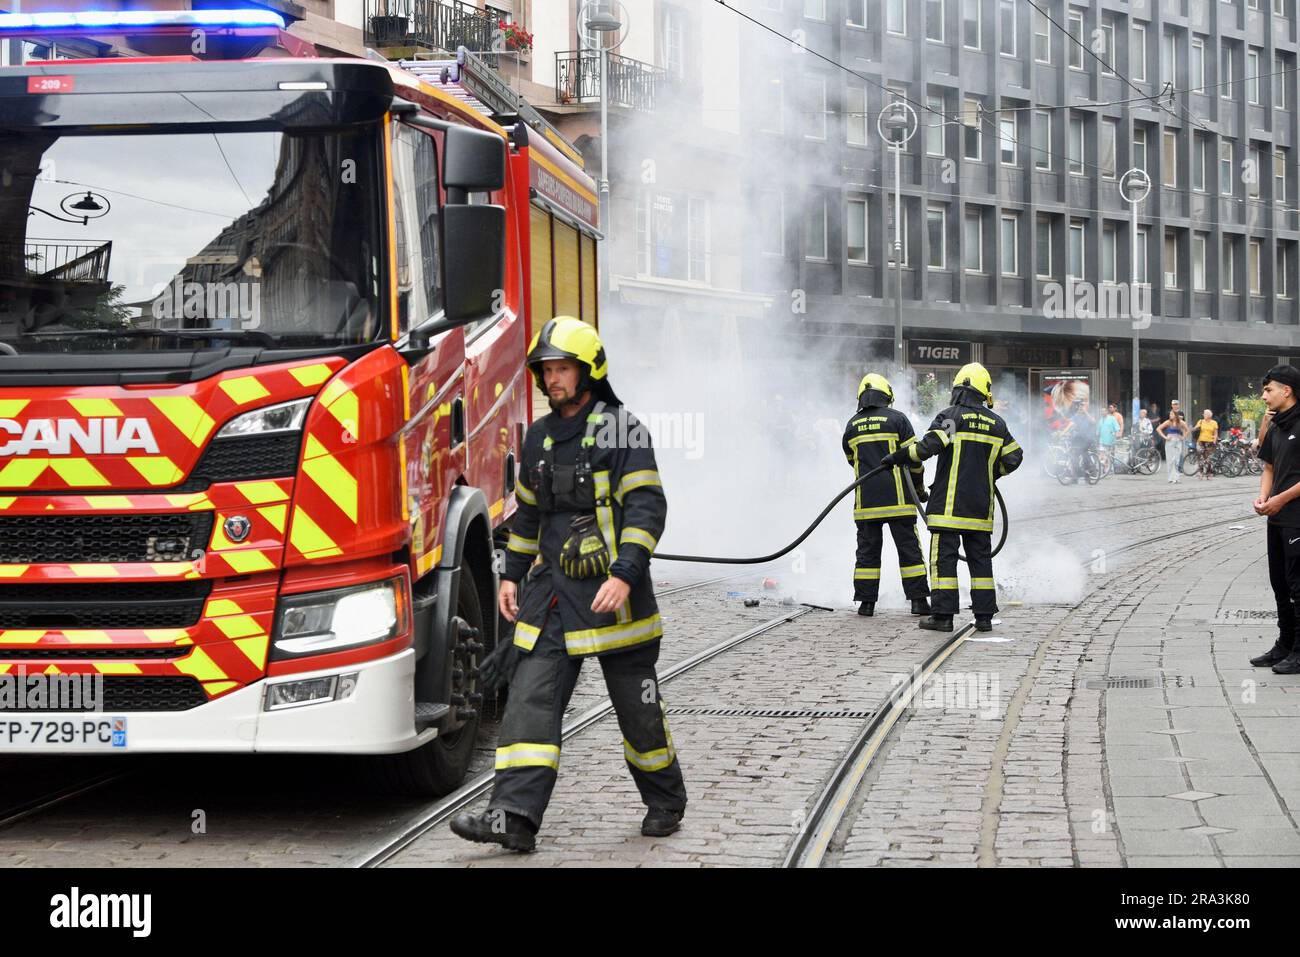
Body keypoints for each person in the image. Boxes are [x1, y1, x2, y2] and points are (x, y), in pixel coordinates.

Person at [451, 317, 687, 852]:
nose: (552, 379)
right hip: (552, 598)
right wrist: (510, 576)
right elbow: (528, 519)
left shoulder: (622, 429)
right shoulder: (537, 437)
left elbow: (647, 507)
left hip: (613, 601)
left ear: (589, 371)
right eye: (546, 370)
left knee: (639, 713)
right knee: (529, 700)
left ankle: (666, 799)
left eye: (562, 369)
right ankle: (512, 816)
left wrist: (625, 575)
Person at [880, 362, 1022, 633]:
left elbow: (926, 448)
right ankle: (984, 617)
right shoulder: (997, 424)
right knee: (981, 561)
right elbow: (1015, 456)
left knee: (944, 560)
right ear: (984, 392)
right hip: (980, 509)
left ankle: (943, 616)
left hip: (948, 508)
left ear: (958, 389)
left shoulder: (951, 418)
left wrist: (896, 457)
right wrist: (991, 473)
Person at [842, 372, 931, 618]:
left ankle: (866, 604)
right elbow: (914, 459)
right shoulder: (898, 420)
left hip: (866, 503)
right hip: (899, 501)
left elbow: (853, 461)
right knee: (909, 551)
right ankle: (918, 602)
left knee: (867, 553)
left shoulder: (852, 425)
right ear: (887, 396)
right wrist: (920, 490)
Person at [1253, 365, 1300, 674]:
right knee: (1279, 584)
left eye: (1268, 390)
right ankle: (1284, 645)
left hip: (1296, 517)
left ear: (1287, 390)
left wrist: (1281, 499)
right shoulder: (1276, 425)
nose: (1264, 395)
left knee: (1298, 585)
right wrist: (1263, 497)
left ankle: (1299, 652)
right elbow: (1268, 466)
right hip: (1277, 517)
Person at [1156, 408, 1188, 483]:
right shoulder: (1168, 422)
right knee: (1170, 460)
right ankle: (1170, 478)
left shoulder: (1181, 422)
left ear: (1176, 415)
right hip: (1169, 441)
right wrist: (1165, 437)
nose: (1170, 415)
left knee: (1176, 460)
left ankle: (1176, 478)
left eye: (1172, 414)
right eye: (1170, 414)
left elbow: (1187, 430)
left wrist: (1183, 437)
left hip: (1177, 441)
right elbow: (1158, 429)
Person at [1192, 408, 1220, 479]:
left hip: (1209, 442)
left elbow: (1216, 433)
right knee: (1200, 458)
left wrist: (1214, 441)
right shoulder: (1201, 421)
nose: (1203, 415)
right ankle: (1200, 473)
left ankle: (1208, 473)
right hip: (1200, 442)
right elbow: (1195, 428)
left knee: (1208, 459)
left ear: (1209, 415)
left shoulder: (1214, 423)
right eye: (1203, 414)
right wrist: (1195, 428)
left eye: (1204, 414)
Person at [1097, 404, 1120, 470]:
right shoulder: (1100, 420)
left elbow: (1117, 428)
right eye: (1101, 411)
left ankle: (1109, 468)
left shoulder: (1112, 418)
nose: (1103, 412)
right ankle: (1103, 468)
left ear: (1107, 412)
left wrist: (1117, 434)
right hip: (1102, 440)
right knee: (1102, 454)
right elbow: (1098, 430)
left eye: (1104, 411)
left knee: (1109, 455)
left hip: (1110, 440)